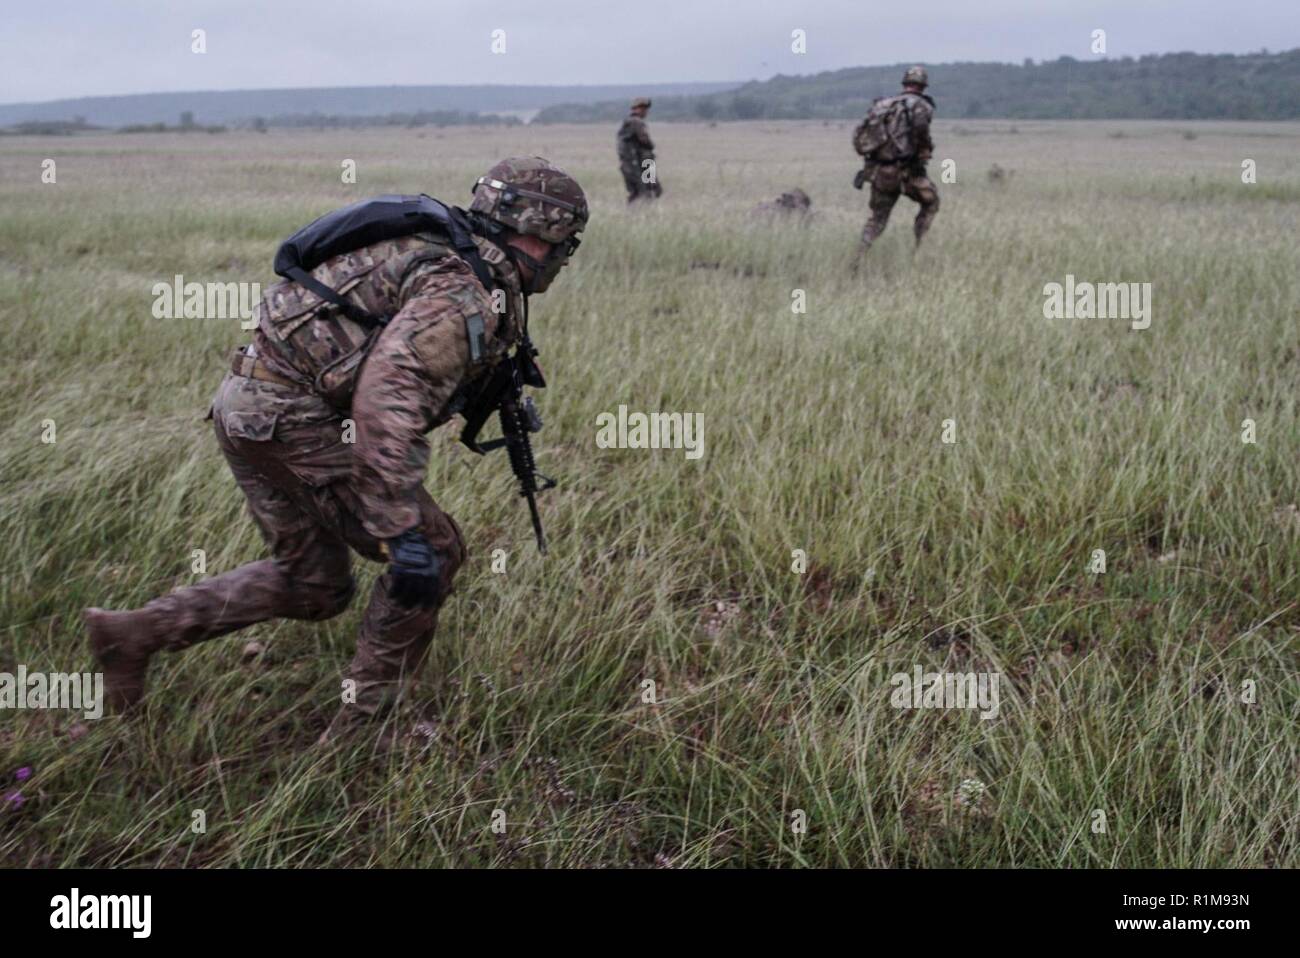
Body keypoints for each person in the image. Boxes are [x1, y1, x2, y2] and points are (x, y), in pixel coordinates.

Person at [83, 156, 588, 744]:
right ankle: (365, 729)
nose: (564, 258)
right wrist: (398, 527)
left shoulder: (448, 253)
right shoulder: (461, 290)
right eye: (565, 243)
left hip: (248, 406)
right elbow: (386, 402)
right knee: (432, 549)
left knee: (316, 584)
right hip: (292, 420)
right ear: (539, 233)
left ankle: (134, 634)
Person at [854, 65, 939, 252]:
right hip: (908, 172)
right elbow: (921, 133)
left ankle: (859, 255)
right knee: (931, 202)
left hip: (881, 173)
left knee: (877, 219)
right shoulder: (921, 106)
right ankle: (919, 249)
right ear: (923, 86)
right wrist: (925, 150)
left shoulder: (884, 106)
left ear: (905, 83)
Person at [617, 97, 661, 202]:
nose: (645, 112)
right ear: (637, 109)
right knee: (648, 191)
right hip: (642, 163)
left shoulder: (627, 123)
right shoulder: (636, 122)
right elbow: (646, 141)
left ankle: (638, 214)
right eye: (643, 109)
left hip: (634, 163)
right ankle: (644, 213)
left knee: (638, 192)